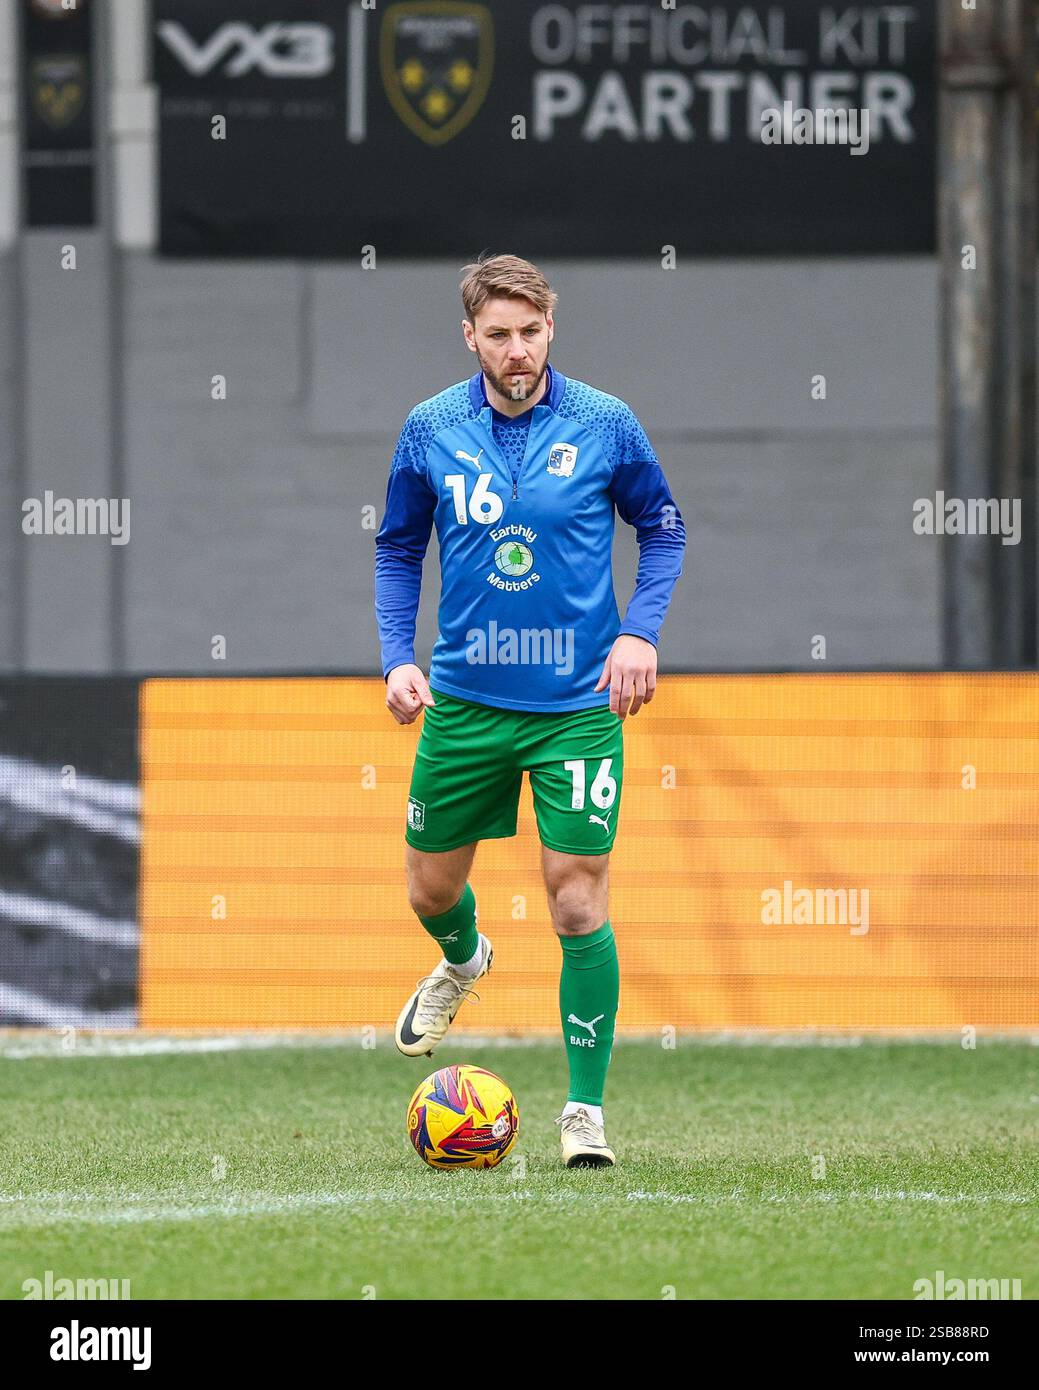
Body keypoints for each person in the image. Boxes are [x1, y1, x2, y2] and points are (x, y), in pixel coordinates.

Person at [374, 253, 685, 1166]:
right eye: (499, 335)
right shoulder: (429, 428)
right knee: (427, 889)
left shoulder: (605, 423)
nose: (517, 351)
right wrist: (398, 658)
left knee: (577, 901)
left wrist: (640, 633)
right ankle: (464, 959)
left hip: (578, 705)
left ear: (553, 329)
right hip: (465, 701)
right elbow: (397, 549)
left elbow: (662, 528)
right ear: (469, 335)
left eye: (531, 332)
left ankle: (582, 1114)